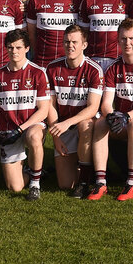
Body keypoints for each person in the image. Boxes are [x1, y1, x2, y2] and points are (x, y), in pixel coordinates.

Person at [87, 20, 133, 201]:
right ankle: (100, 182)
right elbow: (106, 103)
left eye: (131, 38)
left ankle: (132, 183)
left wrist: (126, 117)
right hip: (121, 115)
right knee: (100, 123)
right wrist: (111, 115)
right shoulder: (113, 67)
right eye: (123, 39)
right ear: (118, 41)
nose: (127, 43)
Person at [0, 30, 51, 200]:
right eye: (10, 47)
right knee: (14, 187)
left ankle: (35, 184)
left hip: (31, 126)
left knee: (33, 136)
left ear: (27, 48)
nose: (14, 51)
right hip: (9, 131)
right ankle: (31, 170)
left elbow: (43, 110)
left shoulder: (38, 72)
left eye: (18, 47)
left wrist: (20, 129)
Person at [45, 25, 104, 197]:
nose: (70, 46)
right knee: (65, 184)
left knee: (85, 124)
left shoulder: (94, 69)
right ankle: (87, 169)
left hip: (85, 125)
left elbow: (93, 107)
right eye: (66, 42)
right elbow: (50, 105)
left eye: (74, 42)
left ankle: (84, 182)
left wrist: (68, 122)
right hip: (64, 127)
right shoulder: (52, 68)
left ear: (84, 45)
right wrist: (56, 136)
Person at [77, 0, 133, 70]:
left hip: (120, 59)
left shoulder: (128, 2)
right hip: (94, 59)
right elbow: (83, 34)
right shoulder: (88, 1)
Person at [24, 0, 83, 66]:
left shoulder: (80, 1)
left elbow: (85, 33)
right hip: (43, 62)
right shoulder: (36, 0)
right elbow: (31, 34)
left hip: (71, 63)